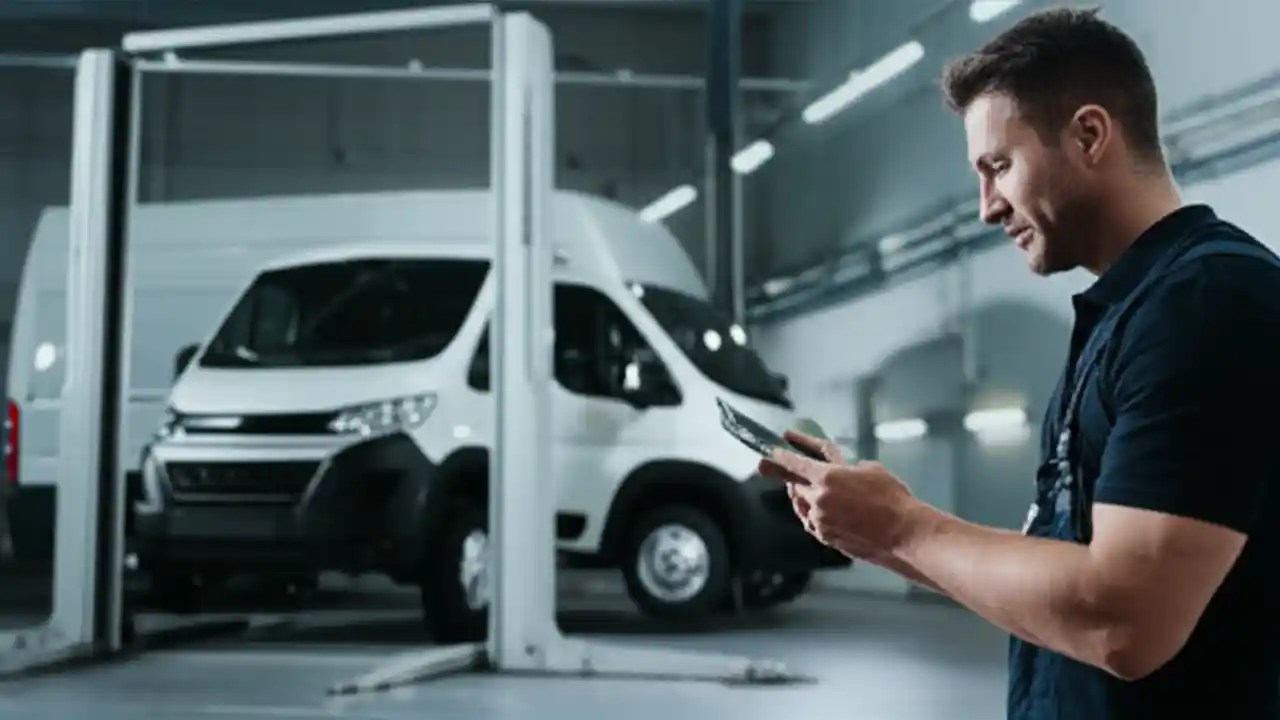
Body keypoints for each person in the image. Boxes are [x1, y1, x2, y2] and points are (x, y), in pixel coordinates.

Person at [760, 7, 1280, 719]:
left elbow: (1125, 620)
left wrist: (905, 527)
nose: (985, 208)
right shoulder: (1129, 315)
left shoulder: (1206, 303)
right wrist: (880, 536)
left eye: (998, 166)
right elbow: (1062, 583)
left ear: (1090, 135)